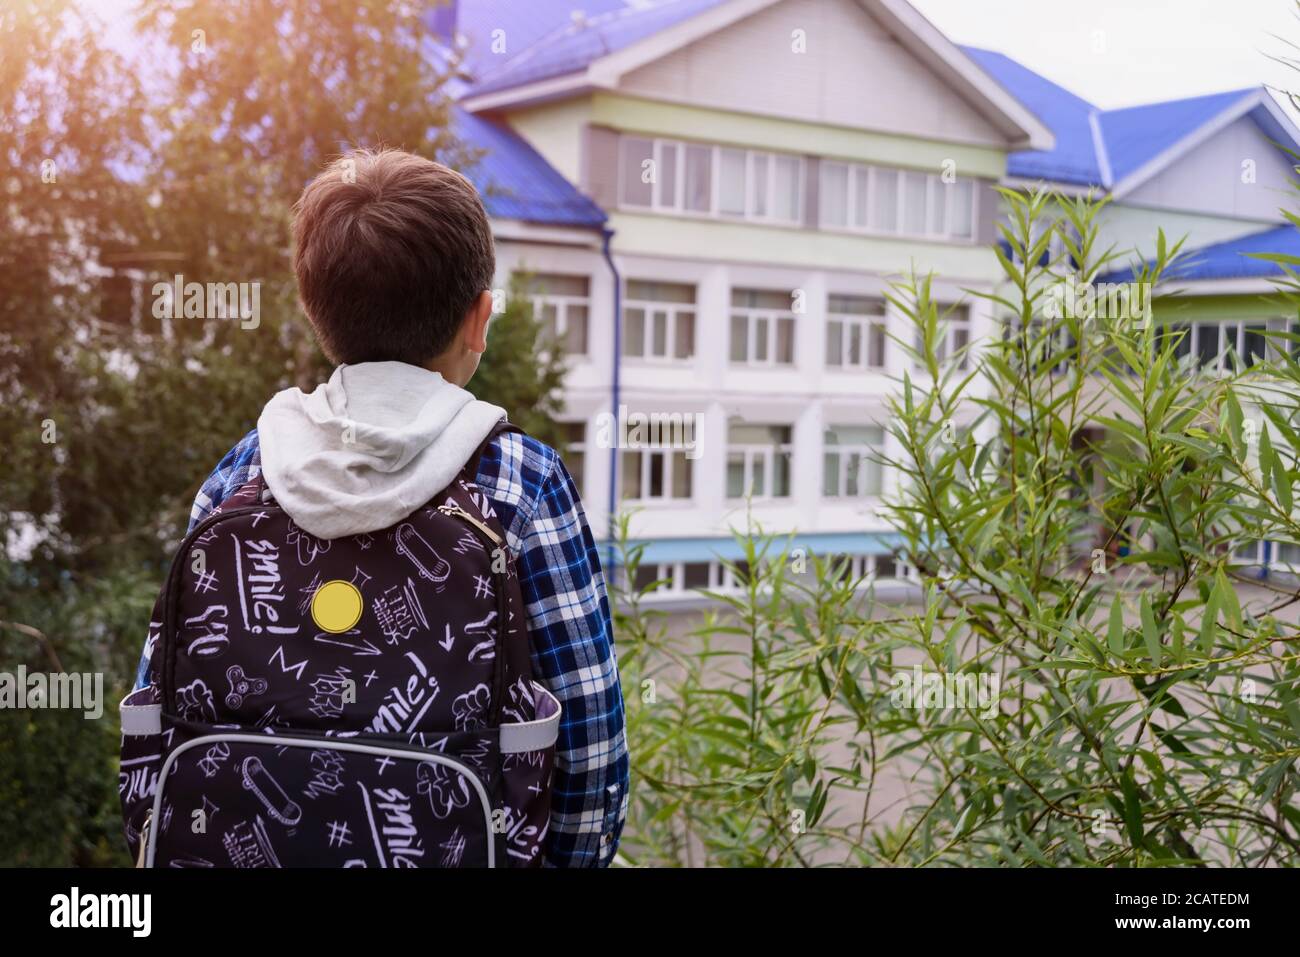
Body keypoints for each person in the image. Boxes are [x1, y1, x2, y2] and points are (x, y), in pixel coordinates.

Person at [131, 148, 628, 867]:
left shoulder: (240, 474)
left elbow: (155, 715)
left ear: (313, 312)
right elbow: (591, 760)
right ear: (478, 320)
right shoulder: (521, 482)